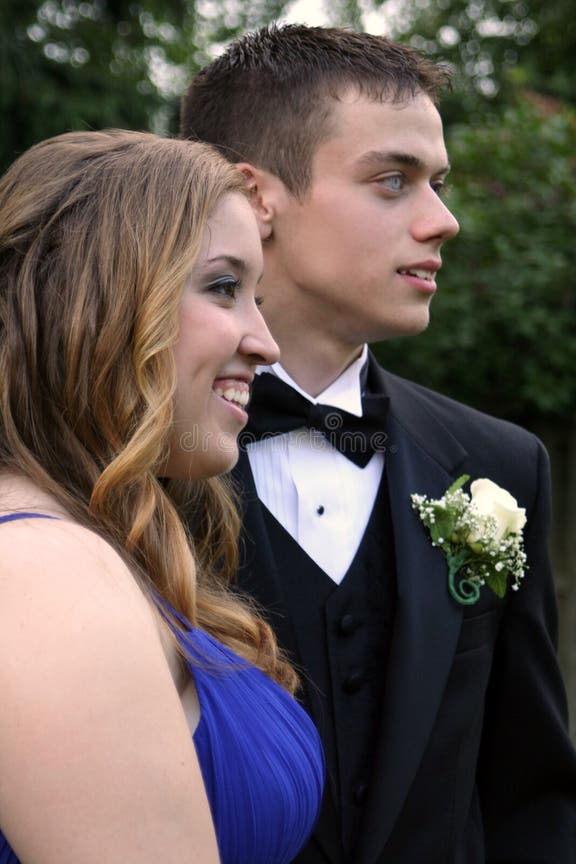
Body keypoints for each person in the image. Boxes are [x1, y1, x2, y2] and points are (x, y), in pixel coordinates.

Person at [180, 23, 576, 863]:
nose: (445, 222)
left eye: (439, 184)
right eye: (393, 181)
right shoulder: (124, 465)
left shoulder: (502, 466)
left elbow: (530, 799)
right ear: (256, 197)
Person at [0, 129, 324, 864]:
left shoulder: (85, 545)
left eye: (258, 298)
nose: (266, 343)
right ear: (97, 303)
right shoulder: (42, 573)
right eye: (224, 287)